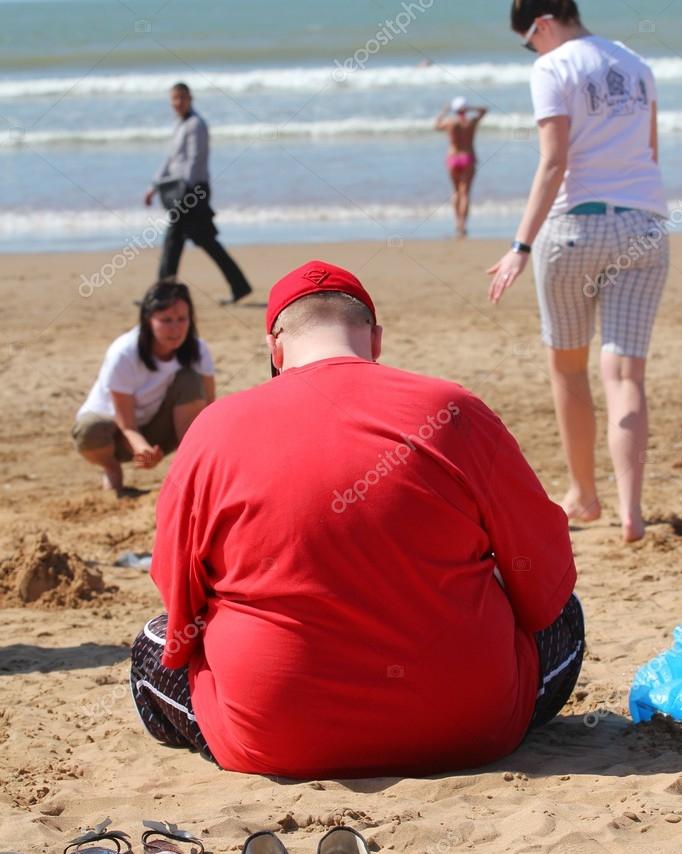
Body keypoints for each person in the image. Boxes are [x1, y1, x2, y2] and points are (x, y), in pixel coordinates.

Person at [129, 260, 584, 779]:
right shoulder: (454, 409)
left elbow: (176, 588)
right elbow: (543, 569)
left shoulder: (214, 429)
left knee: (153, 641)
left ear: (275, 350)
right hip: (470, 726)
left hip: (276, 737)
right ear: (376, 340)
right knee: (565, 611)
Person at [487, 1, 669, 542]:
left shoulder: (552, 66)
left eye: (528, 40)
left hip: (576, 228)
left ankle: (585, 495)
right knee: (626, 376)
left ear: (541, 24)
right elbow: (651, 153)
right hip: (644, 225)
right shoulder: (637, 63)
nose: (532, 50)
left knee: (569, 368)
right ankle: (632, 513)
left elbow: (554, 161)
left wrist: (520, 243)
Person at [72, 280, 215, 496]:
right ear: (149, 320)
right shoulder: (124, 353)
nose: (175, 328)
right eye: (166, 320)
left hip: (161, 426)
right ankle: (111, 469)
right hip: (114, 432)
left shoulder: (198, 350)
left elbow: (209, 410)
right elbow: (126, 424)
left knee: (190, 380)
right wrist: (142, 450)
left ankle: (190, 470)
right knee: (89, 429)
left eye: (182, 319)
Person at [144, 82, 252, 304]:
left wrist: (185, 191)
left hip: (193, 191)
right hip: (180, 190)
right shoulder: (178, 125)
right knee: (183, 241)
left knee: (183, 240)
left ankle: (163, 295)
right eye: (174, 98)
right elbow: (170, 160)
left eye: (182, 98)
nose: (178, 102)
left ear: (190, 99)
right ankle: (165, 294)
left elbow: (195, 160)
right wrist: (154, 186)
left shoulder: (196, 125)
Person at [435, 97, 488, 237]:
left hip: (452, 158)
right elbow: (484, 110)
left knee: (456, 191)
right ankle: (462, 225)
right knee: (465, 193)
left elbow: (436, 125)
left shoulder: (450, 123)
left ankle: (457, 222)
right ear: (465, 109)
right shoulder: (470, 122)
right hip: (467, 157)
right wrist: (470, 108)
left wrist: (445, 110)